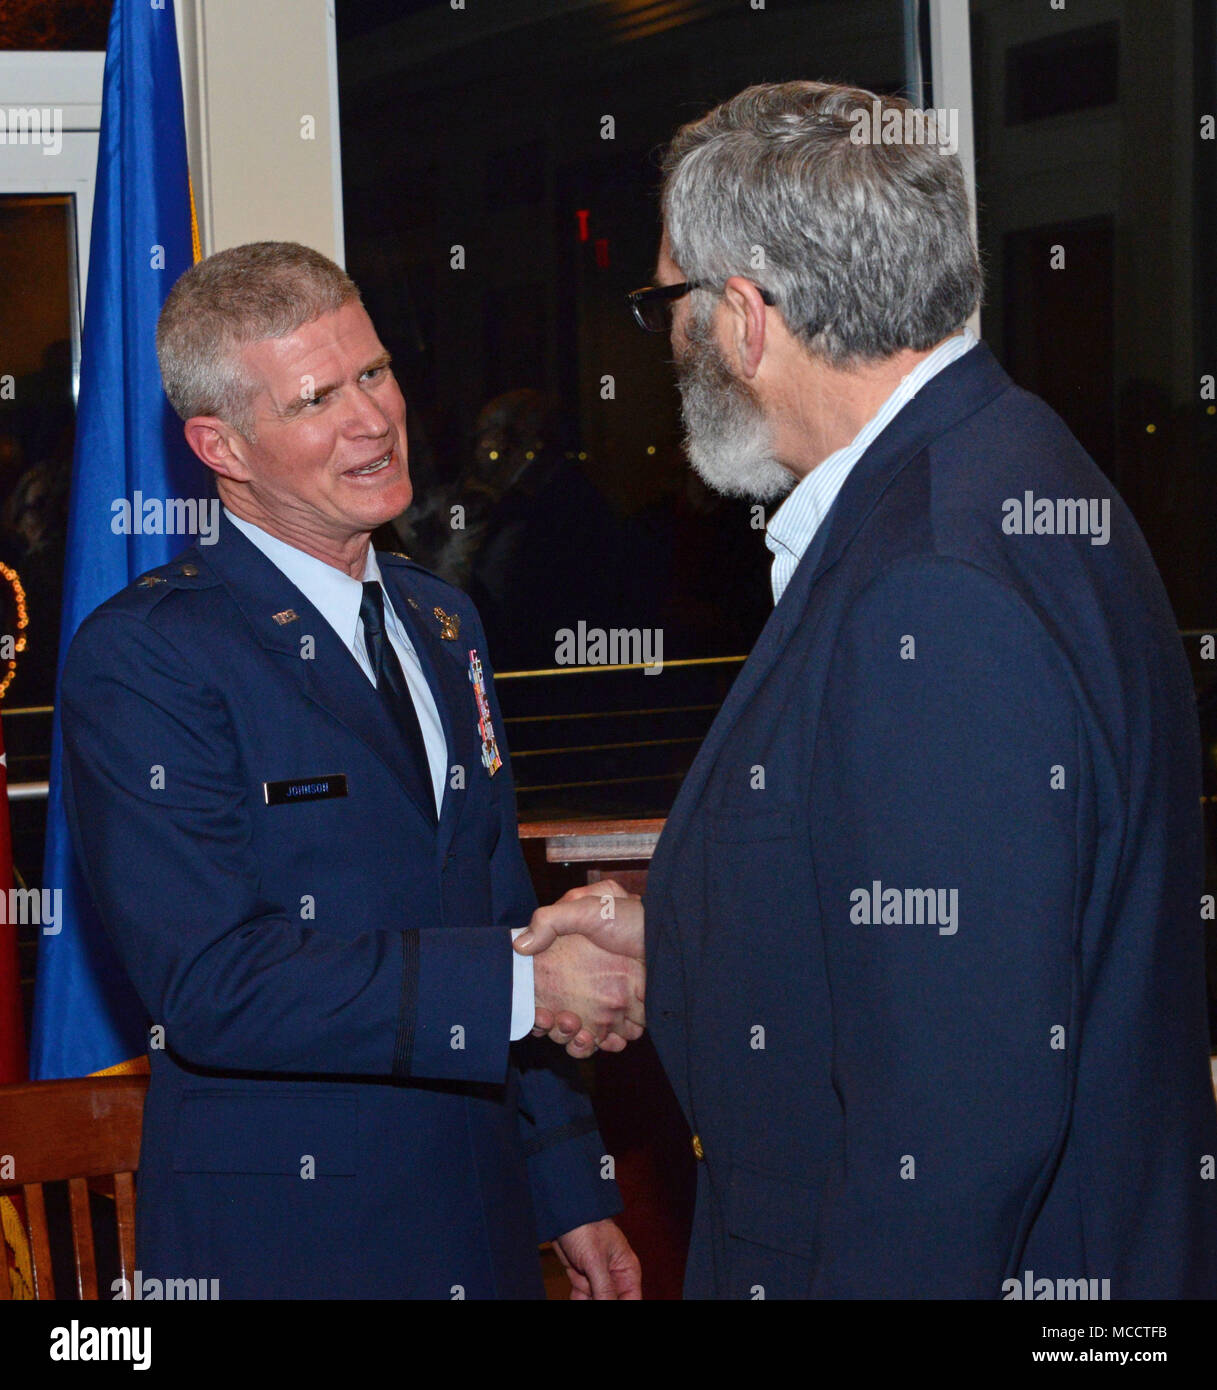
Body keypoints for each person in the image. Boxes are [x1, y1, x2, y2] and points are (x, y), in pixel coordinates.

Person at [517, 81, 1217, 1299]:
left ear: (742, 315)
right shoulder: (1009, 461)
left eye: (667, 302)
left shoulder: (931, 582)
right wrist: (676, 938)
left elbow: (955, 1128)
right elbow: (922, 932)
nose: (668, 339)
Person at [58, 241, 642, 1299]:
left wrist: (568, 1179)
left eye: (373, 372)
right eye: (316, 397)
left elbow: (494, 903)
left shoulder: (443, 618)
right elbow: (215, 984)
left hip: (479, 1213)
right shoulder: (147, 656)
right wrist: (524, 986)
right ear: (218, 444)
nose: (373, 420)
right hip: (291, 1240)